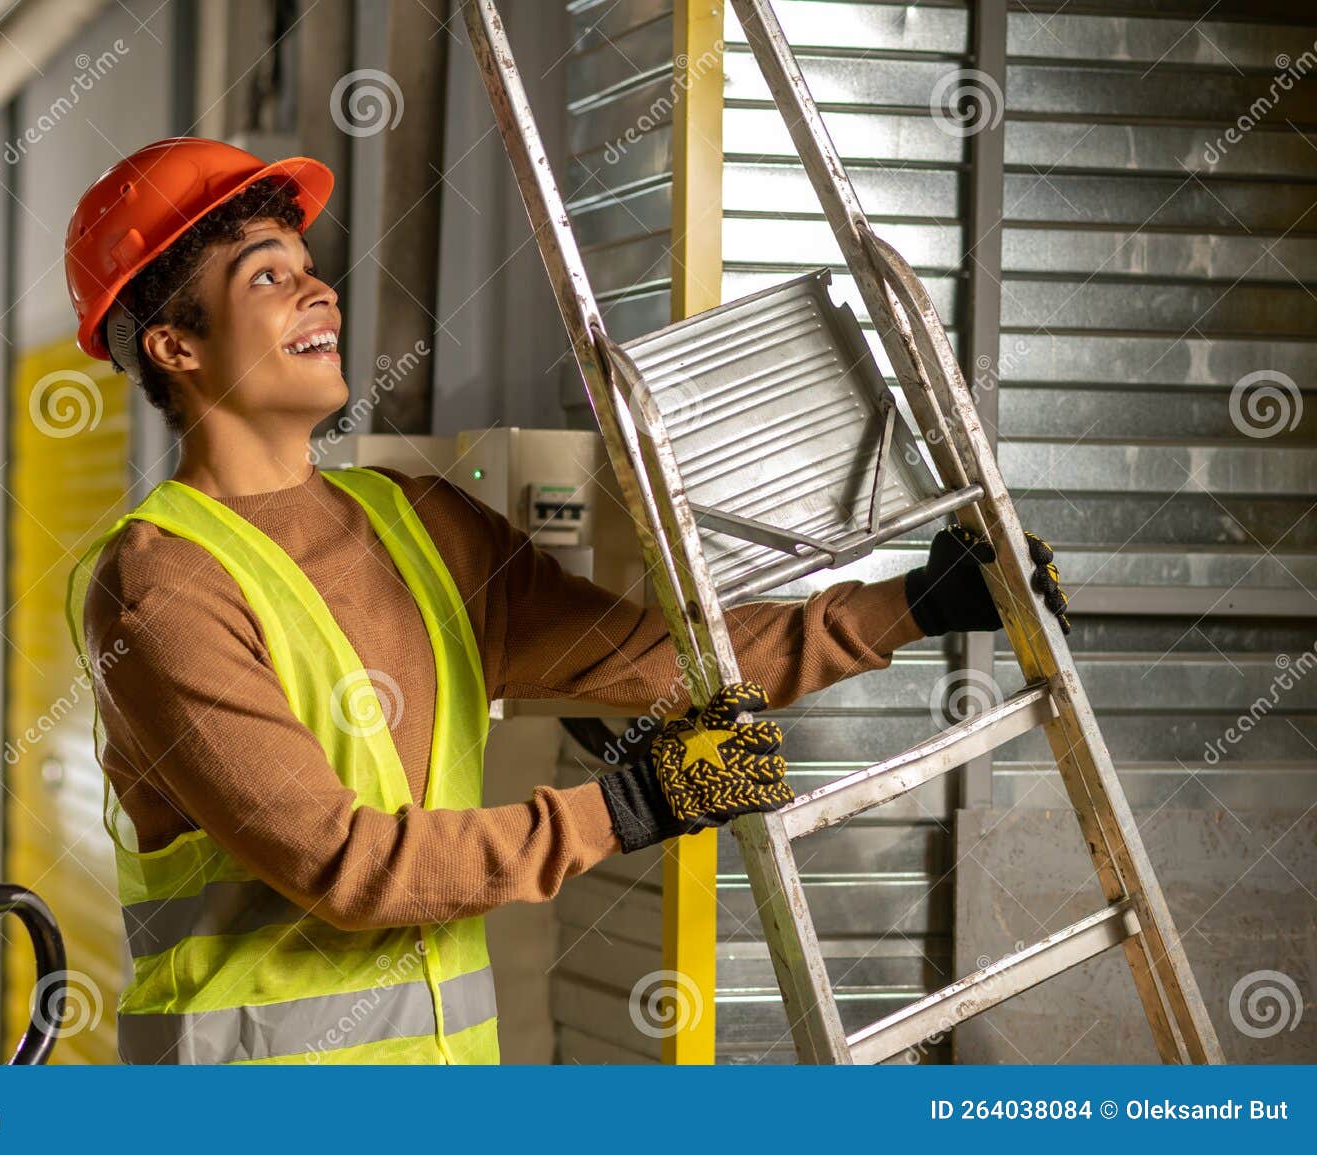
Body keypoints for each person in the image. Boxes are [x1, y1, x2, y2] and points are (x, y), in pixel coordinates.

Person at [60, 136, 1070, 1066]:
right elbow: (347, 864)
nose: (316, 291)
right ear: (175, 348)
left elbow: (658, 666)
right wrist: (634, 805)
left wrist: (918, 604)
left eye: (307, 264)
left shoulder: (413, 518)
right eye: (267, 277)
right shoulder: (160, 583)